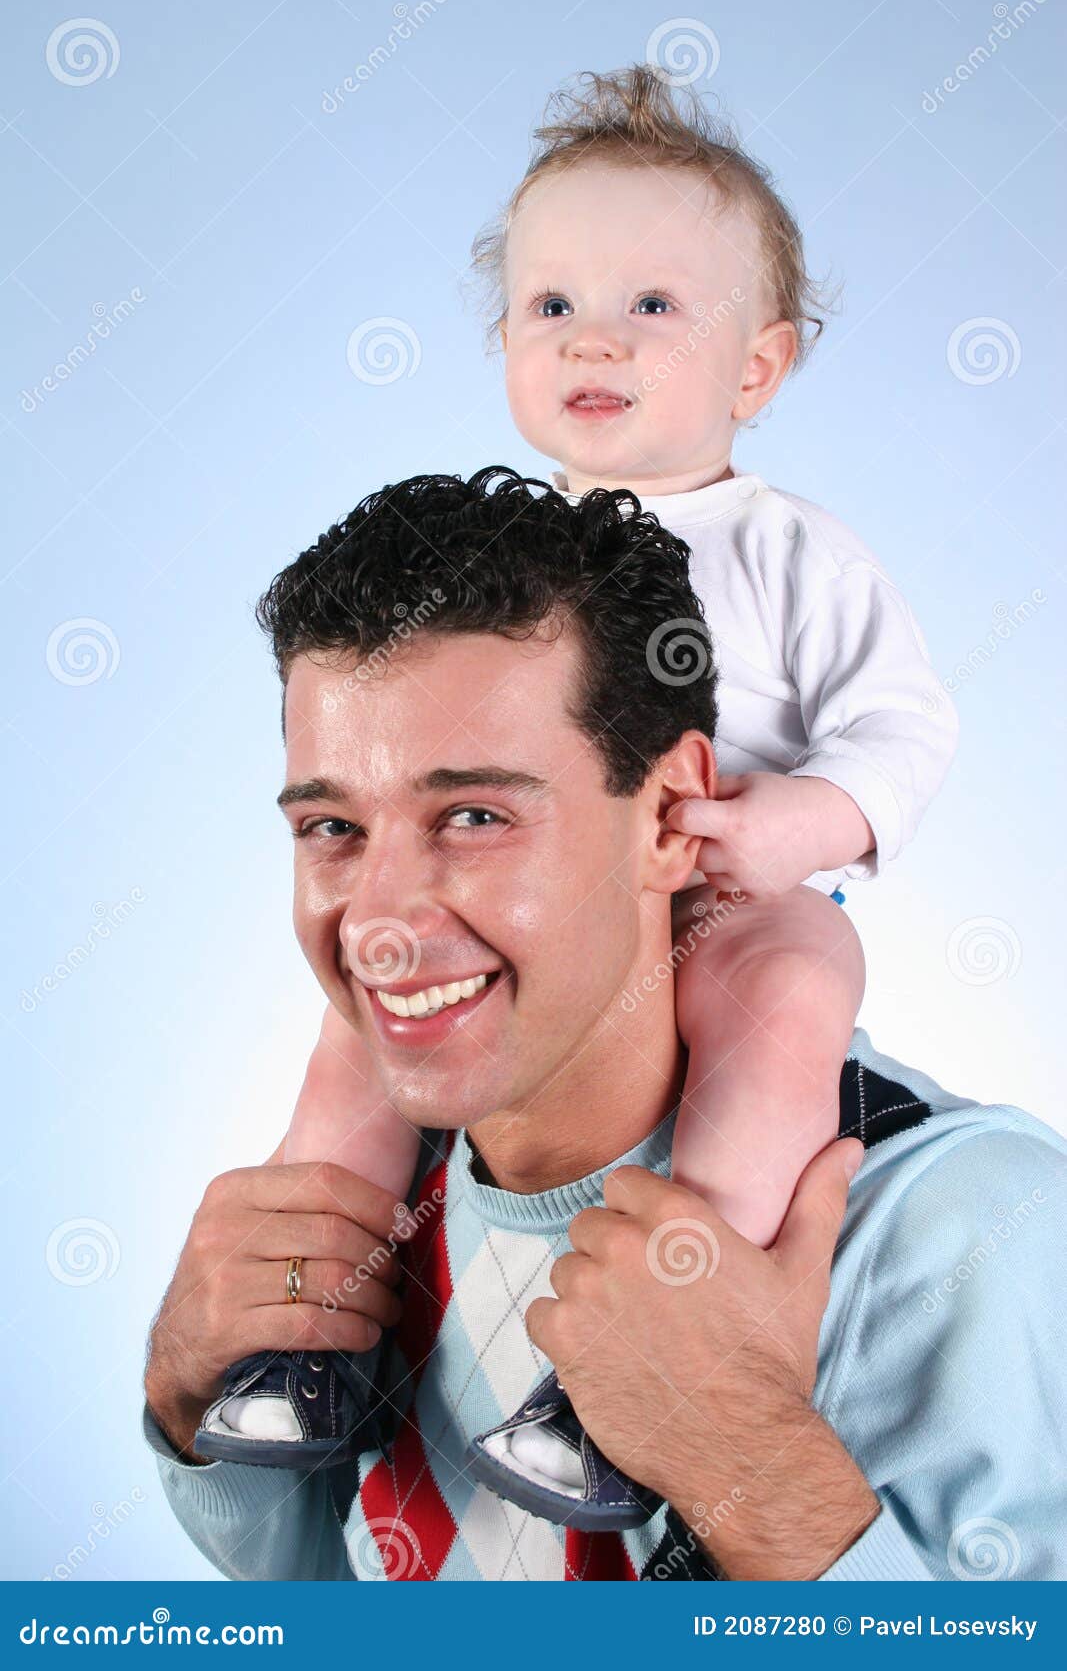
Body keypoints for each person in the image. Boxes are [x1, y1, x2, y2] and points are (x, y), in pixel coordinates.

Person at [190, 68, 959, 1519]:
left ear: (757, 369)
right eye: (550, 307)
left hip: (734, 906)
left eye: (653, 306)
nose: (592, 332)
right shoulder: (497, 561)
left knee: (788, 1007)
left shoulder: (792, 552)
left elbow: (902, 729)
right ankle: (300, 1339)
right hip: (546, 924)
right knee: (357, 1034)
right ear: (500, 346)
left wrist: (787, 824)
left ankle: (625, 1379)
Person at [144, 468, 1066, 1580]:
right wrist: (190, 1401)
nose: (379, 924)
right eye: (333, 824)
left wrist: (753, 1467)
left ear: (672, 817)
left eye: (474, 816)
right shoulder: (374, 1208)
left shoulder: (983, 1227)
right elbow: (312, 1601)